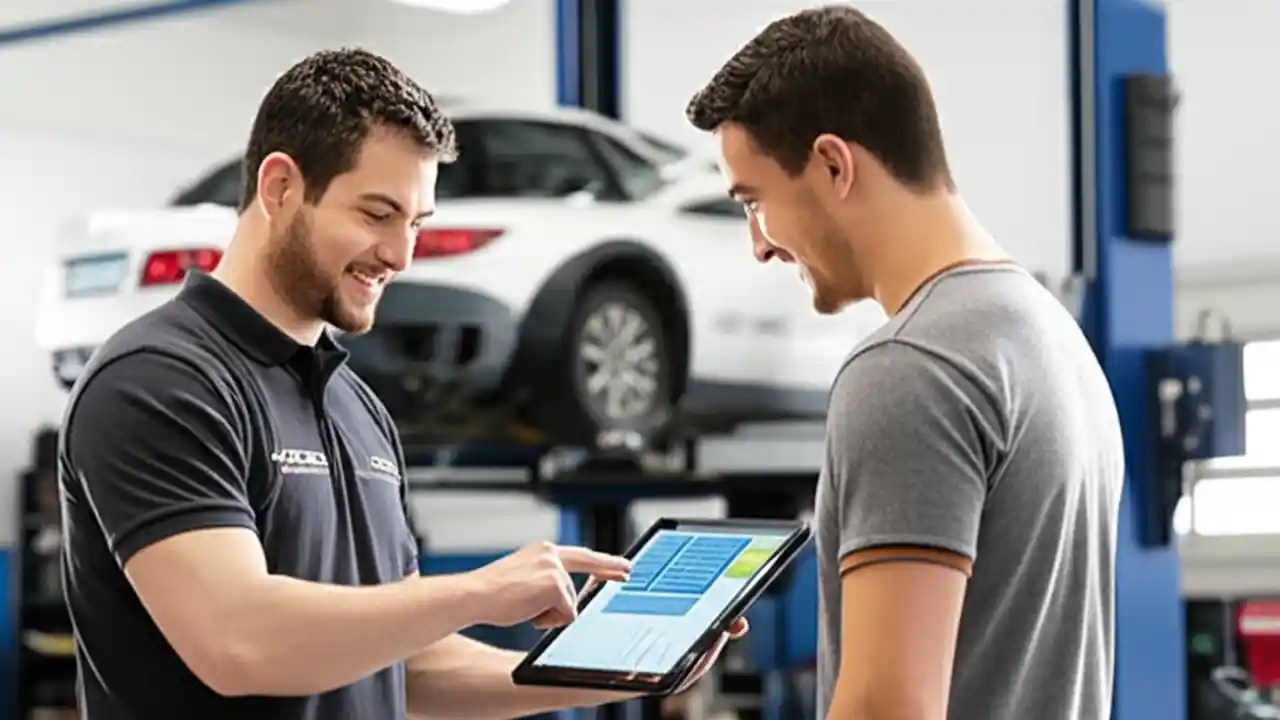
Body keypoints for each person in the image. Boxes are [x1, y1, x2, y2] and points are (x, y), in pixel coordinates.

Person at [57, 47, 745, 720]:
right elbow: (239, 642)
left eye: (416, 223)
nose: (401, 254)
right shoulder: (157, 383)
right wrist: (478, 591)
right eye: (377, 214)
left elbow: (409, 665)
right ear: (279, 187)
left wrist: (623, 668)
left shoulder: (357, 408)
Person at [685, 5, 1124, 720]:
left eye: (755, 202)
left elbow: (889, 707)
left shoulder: (910, 367)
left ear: (833, 164)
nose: (758, 245)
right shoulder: (1053, 339)